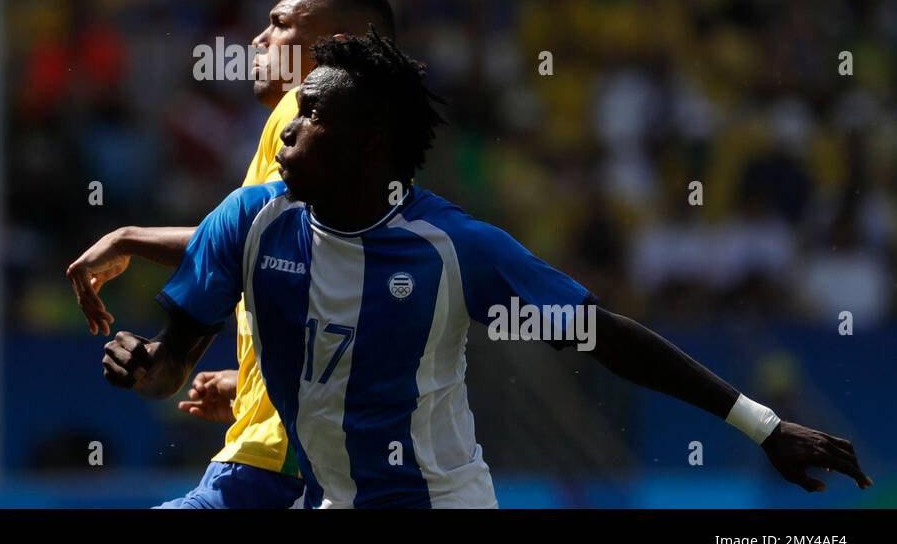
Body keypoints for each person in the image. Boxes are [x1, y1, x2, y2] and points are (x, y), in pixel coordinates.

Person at [101, 30, 871, 508]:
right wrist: (143, 367)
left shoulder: (453, 249)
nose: (288, 131)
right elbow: (170, 370)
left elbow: (601, 336)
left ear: (368, 144)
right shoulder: (247, 221)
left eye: (311, 118)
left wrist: (760, 423)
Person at [67, 0, 395, 508]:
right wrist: (252, 388)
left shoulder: (302, 116)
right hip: (298, 456)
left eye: (281, 25)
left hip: (282, 467)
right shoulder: (364, 144)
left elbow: (253, 234)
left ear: (337, 49)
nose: (258, 41)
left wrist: (129, 238)